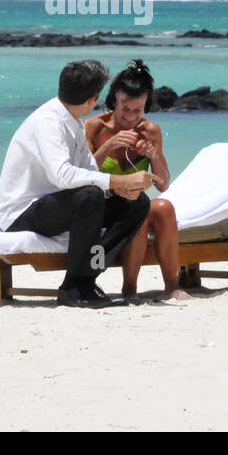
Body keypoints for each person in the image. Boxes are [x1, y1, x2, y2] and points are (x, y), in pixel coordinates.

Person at [0, 60, 154, 307]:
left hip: (58, 204)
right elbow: (62, 176)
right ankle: (73, 288)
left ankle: (84, 279)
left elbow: (88, 171)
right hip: (21, 212)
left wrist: (122, 188)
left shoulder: (73, 121)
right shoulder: (48, 121)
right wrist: (118, 179)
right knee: (90, 196)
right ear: (93, 98)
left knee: (137, 202)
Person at [84, 59, 189, 301]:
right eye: (125, 108)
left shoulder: (150, 130)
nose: (131, 116)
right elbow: (82, 174)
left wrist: (153, 155)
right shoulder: (94, 127)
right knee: (138, 209)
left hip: (134, 201)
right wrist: (109, 146)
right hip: (104, 205)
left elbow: (163, 184)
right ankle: (129, 288)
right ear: (114, 100)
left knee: (163, 207)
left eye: (138, 110)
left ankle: (172, 285)